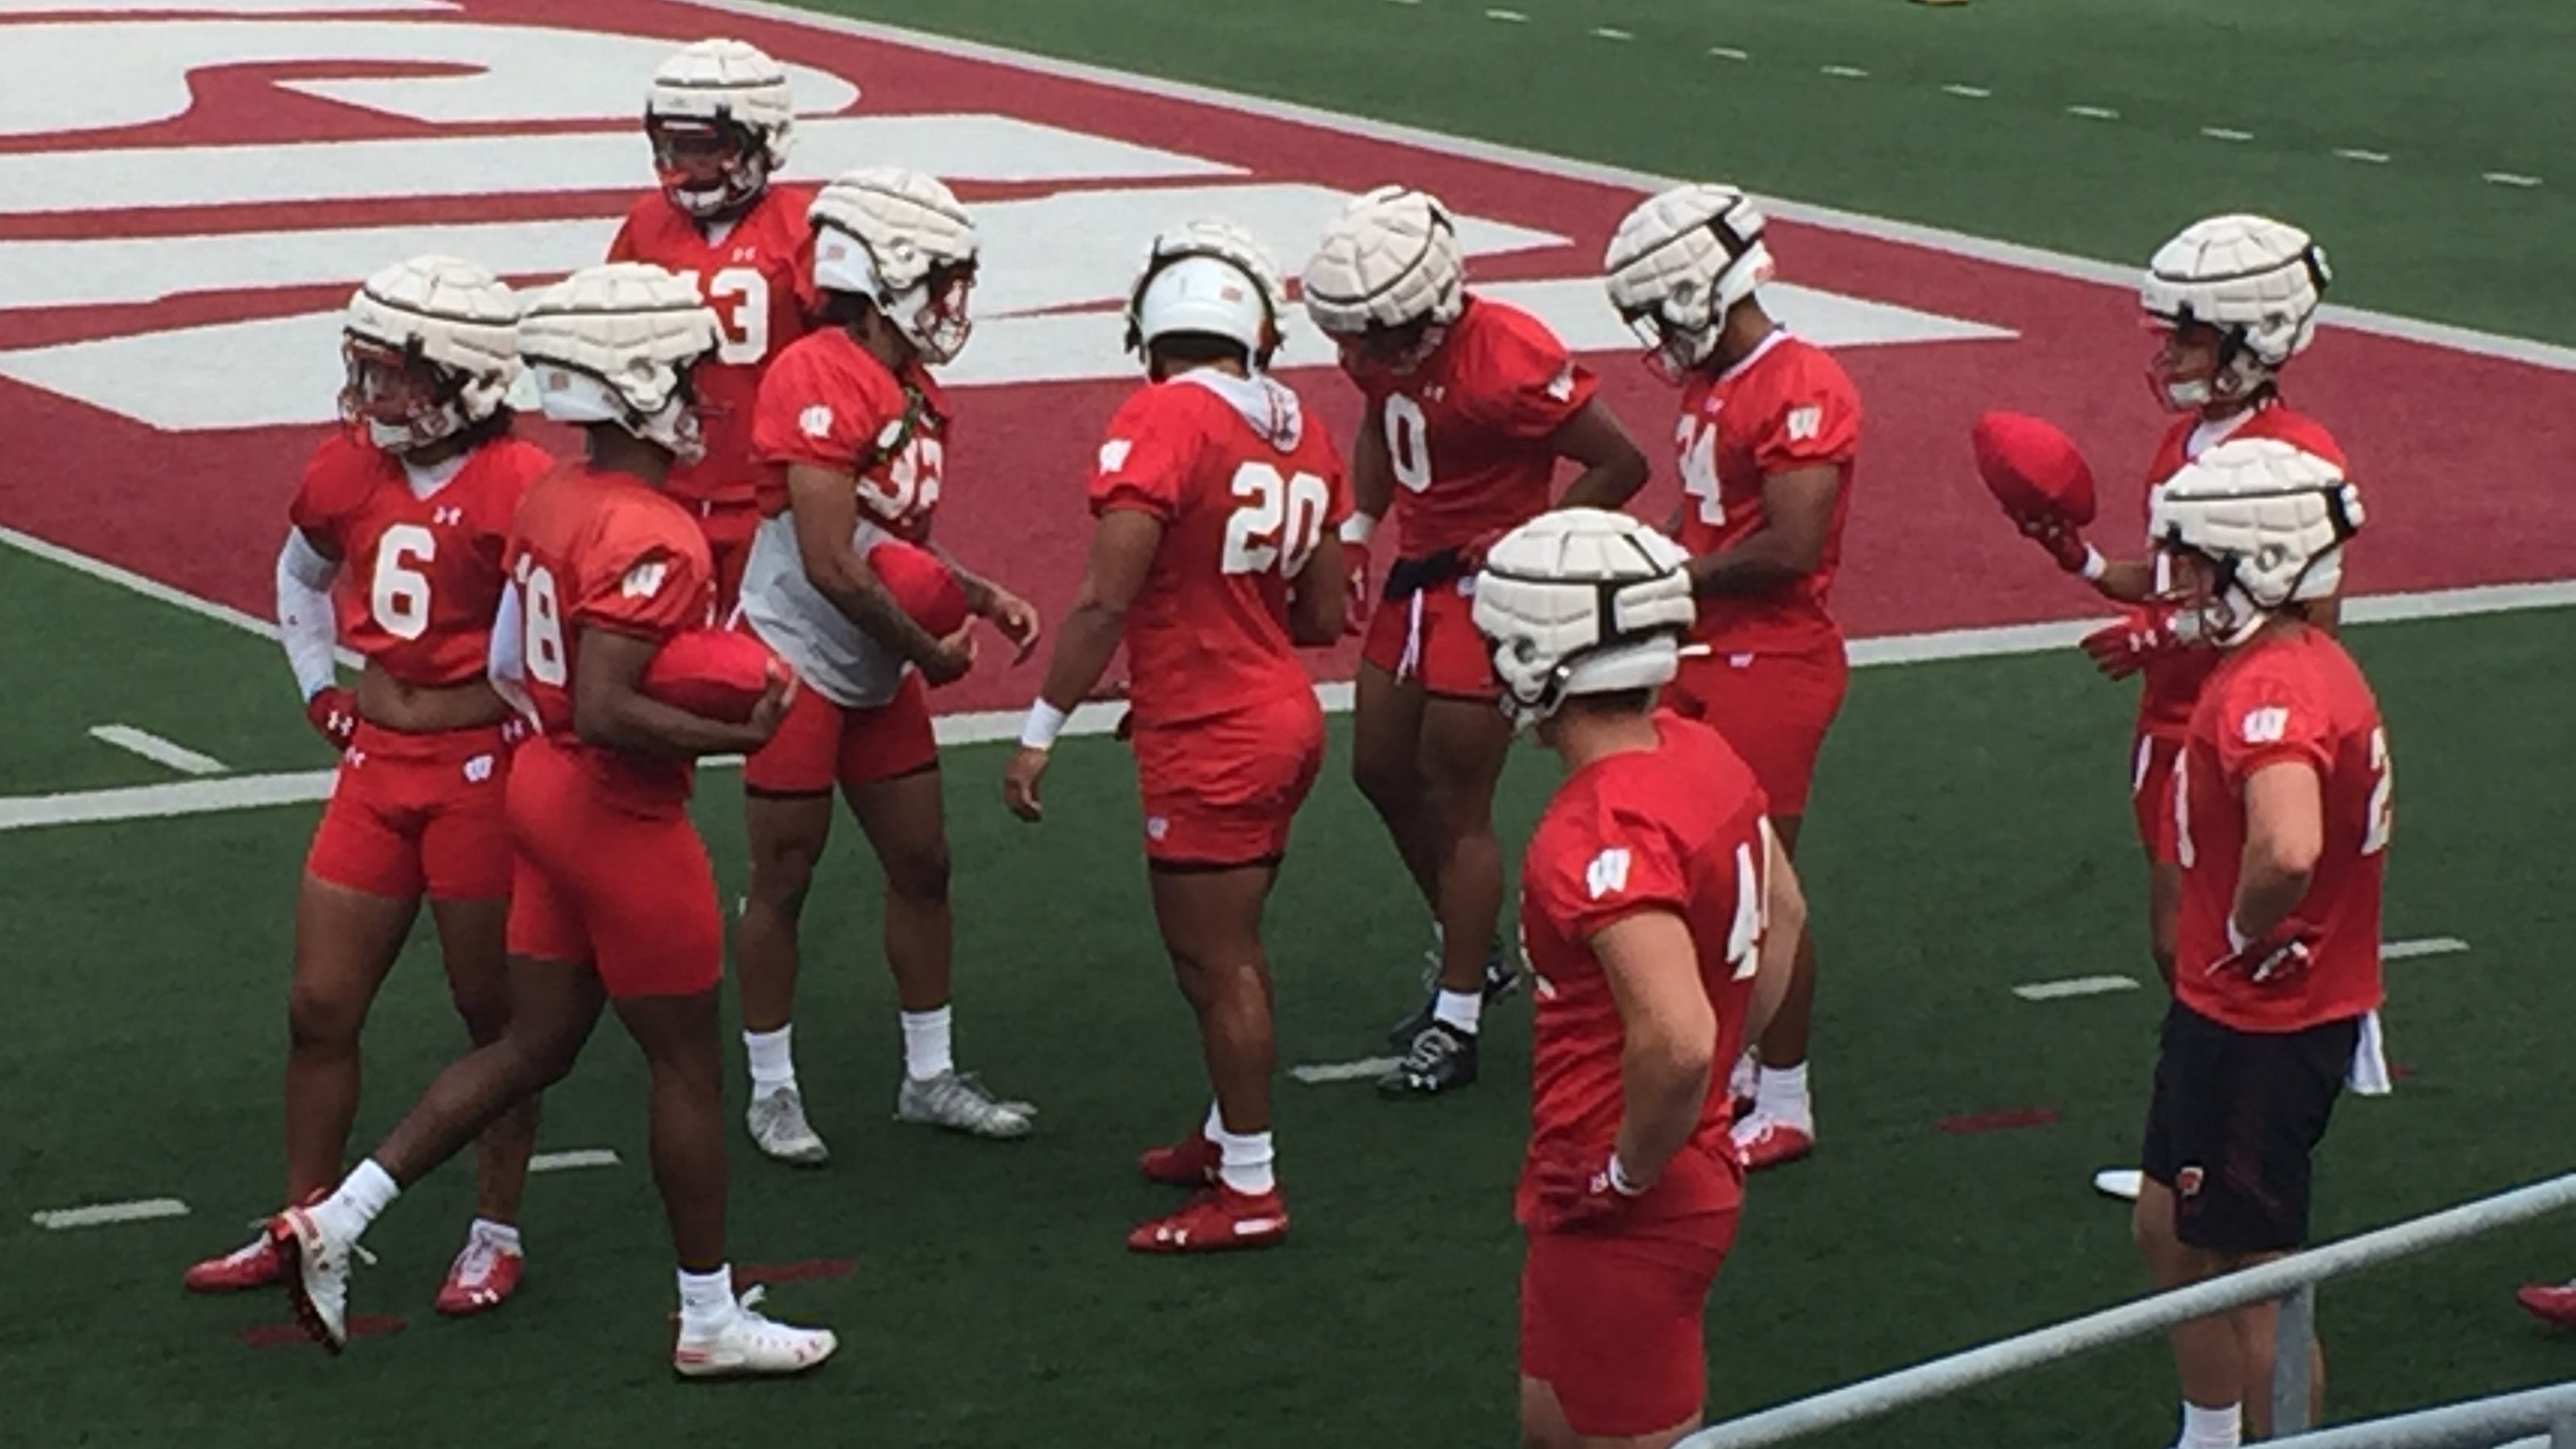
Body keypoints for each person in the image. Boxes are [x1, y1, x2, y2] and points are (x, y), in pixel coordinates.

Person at [268, 262, 836, 1377]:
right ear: (629, 383)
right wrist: (743, 731)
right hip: (615, 812)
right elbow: (617, 707)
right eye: (679, 374)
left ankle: (337, 1217)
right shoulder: (649, 527)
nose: (697, 393)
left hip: (534, 793)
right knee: (683, 1067)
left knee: (533, 1041)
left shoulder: (547, 497)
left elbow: (512, 669)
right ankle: (710, 1318)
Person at [185, 257, 545, 1315]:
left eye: (398, 377)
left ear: (469, 381)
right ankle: (303, 1221)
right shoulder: (346, 470)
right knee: (319, 1005)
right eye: (368, 370)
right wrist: (318, 692)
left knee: (496, 1018)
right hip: (378, 767)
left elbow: (552, 632)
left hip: (482, 771)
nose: (375, 396)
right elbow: (298, 576)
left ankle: (496, 1232)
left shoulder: (520, 485)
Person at [1005, 221, 1345, 1251]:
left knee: (1215, 962)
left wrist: (1038, 732)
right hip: (1279, 710)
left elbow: (1105, 599)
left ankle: (1249, 1188)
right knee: (1229, 948)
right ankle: (1222, 1132)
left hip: (1216, 732)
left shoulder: (1161, 417)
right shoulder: (1303, 424)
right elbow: (1323, 614)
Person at [2015, 213, 2351, 1203]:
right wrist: (2072, 557)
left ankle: (2222, 1137)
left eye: (2191, 337)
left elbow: (2308, 619)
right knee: (2175, 942)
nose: (2169, 355)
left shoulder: (2294, 456)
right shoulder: (2184, 439)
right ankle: (2193, 1131)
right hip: (2171, 726)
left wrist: (2166, 638)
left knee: (2209, 941)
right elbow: (2163, 581)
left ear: (2255, 338)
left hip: (2248, 733)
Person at [1300, 184, 1649, 1099]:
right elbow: (1383, 417)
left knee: (1457, 799)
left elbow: (1621, 461)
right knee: (1377, 769)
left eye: (1377, 334)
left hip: (1485, 591)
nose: (1362, 353)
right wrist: (1357, 526)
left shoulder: (1508, 352)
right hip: (1418, 575)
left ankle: (1455, 1018)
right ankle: (1475, 953)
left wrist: (1534, 540)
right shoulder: (1384, 343)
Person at [1471, 507, 1806, 1449]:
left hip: (1627, 1198)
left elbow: (1677, 1037)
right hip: (1671, 1165)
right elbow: (1786, 920)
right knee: (1553, 1423)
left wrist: (1626, 1170)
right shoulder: (1699, 750)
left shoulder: (1599, 828)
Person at [731, 166, 1041, 1163]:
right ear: (891, 269)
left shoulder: (902, 381)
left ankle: (928, 1072)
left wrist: (977, 590)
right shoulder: (818, 371)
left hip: (872, 655)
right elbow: (828, 561)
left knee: (923, 862)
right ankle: (771, 1088)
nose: (952, 299)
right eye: (941, 276)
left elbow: (885, 537)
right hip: (802, 653)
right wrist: (931, 656)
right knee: (782, 875)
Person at [2127, 439, 2385, 1448]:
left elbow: (2284, 844)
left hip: (2263, 1019)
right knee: (2164, 1228)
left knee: (2253, 1277)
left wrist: (2240, 931)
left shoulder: (2269, 690)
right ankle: (2209, 1429)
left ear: (2258, 563)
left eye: (2195, 561)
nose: (2176, 582)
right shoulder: (2292, 662)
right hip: (2231, 1010)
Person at [1602, 183, 1860, 1170]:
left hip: (1772, 660)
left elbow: (1790, 546)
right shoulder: (1716, 380)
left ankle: (1786, 1094)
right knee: (1706, 878)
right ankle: (1747, 1061)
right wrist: (1641, 564)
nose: (1652, 335)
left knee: (1762, 886)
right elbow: (1704, 516)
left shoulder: (1798, 382)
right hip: (1710, 651)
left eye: (1655, 309)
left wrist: (1664, 579)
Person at [606, 36, 818, 614]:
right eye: (673, 147)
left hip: (769, 494)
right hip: (666, 484)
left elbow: (840, 367)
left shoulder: (803, 227)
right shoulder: (646, 225)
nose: (686, 167)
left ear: (762, 140)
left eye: (706, 149)